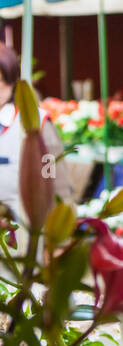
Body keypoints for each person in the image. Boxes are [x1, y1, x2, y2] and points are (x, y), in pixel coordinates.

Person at [0, 44, 70, 225]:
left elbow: (55, 180)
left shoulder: (36, 123)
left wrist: (59, 239)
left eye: (4, 79)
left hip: (25, 235)